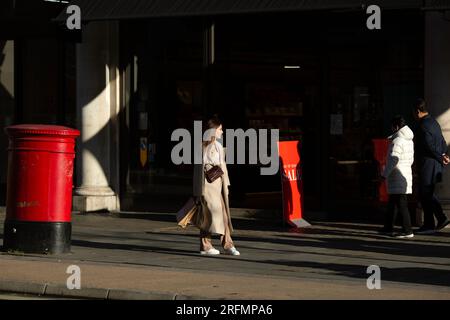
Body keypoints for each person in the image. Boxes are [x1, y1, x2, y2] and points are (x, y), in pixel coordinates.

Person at [193, 116, 240, 256]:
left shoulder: (218, 146)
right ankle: (207, 246)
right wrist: (198, 191)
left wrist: (226, 184)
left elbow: (222, 166)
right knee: (208, 216)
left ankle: (227, 244)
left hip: (218, 184)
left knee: (223, 216)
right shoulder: (202, 146)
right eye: (220, 129)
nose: (222, 132)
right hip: (207, 186)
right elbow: (199, 170)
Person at [413, 99, 450, 234]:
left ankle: (431, 223)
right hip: (435, 165)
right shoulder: (434, 122)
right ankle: (439, 219)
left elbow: (429, 146)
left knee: (425, 194)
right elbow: (442, 141)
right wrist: (444, 154)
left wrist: (441, 157)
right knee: (428, 193)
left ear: (417, 111)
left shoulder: (422, 125)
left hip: (427, 165)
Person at [379, 116, 415, 238]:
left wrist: (384, 175)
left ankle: (408, 230)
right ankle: (388, 227)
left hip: (397, 176)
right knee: (393, 203)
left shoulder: (398, 141)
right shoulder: (408, 140)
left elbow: (393, 160)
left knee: (401, 204)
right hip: (404, 174)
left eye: (392, 126)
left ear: (396, 127)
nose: (391, 129)